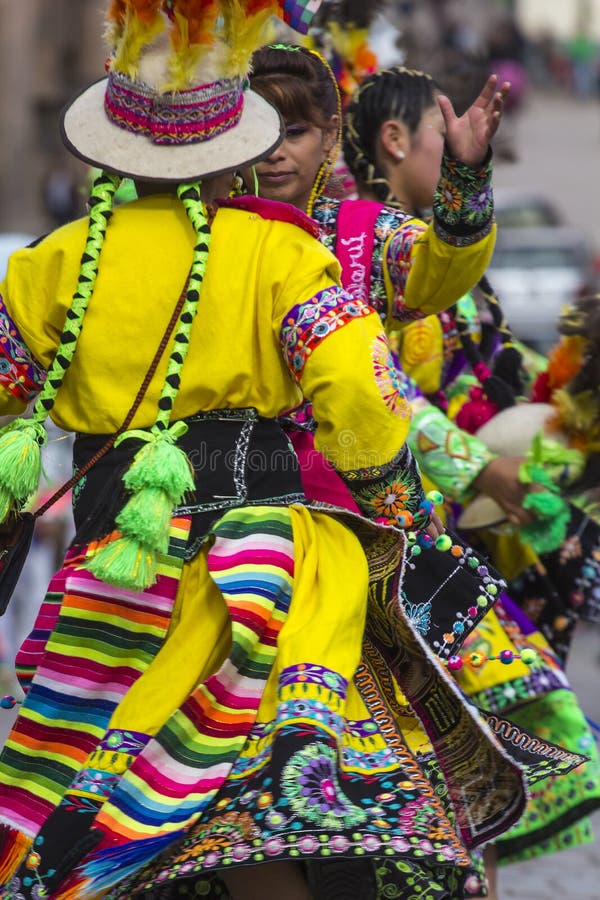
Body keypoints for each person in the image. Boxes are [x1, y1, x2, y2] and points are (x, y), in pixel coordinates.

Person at [0, 5, 537, 900]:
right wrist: (390, 502)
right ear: (230, 146)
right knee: (297, 799)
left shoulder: (51, 266)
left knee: (98, 811)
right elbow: (361, 393)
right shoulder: (279, 254)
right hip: (271, 568)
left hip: (114, 581)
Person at [244, 45, 600, 898]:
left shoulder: (363, 238)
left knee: (434, 755)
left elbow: (414, 332)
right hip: (235, 540)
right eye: (259, 128)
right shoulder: (212, 242)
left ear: (332, 136)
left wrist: (468, 184)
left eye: (295, 129)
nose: (275, 151)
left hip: (375, 534)